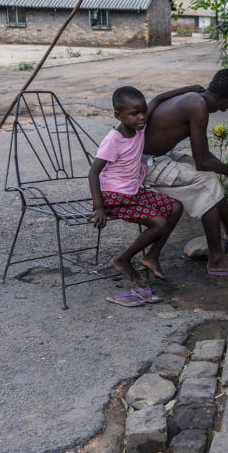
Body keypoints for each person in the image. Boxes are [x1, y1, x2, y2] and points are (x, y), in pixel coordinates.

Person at [143, 68, 228, 276]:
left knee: (212, 175)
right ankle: (217, 260)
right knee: (207, 181)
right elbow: (203, 162)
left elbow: (205, 157)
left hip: (158, 157)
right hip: (144, 165)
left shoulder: (195, 98)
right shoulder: (198, 106)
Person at [89, 85, 195, 307]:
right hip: (114, 197)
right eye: (134, 114)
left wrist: (191, 89)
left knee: (176, 207)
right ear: (118, 115)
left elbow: (159, 97)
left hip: (133, 193)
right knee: (159, 222)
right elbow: (93, 172)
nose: (142, 118)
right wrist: (99, 207)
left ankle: (151, 256)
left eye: (143, 112)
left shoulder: (138, 129)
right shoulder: (114, 139)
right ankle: (122, 259)